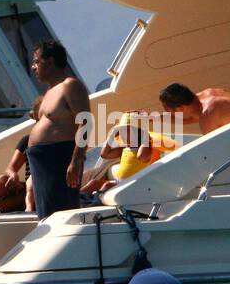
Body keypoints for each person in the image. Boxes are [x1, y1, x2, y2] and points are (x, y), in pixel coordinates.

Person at [26, 40, 89, 219]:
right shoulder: (48, 93)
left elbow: (87, 122)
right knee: (47, 216)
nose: (33, 67)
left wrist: (76, 159)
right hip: (43, 163)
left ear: (50, 61)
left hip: (59, 160)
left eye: (37, 61)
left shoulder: (70, 85)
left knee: (61, 216)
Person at [84, 111, 177, 192]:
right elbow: (104, 154)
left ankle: (95, 201)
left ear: (138, 132)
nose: (122, 134)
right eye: (121, 131)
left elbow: (142, 156)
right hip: (119, 183)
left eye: (127, 130)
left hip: (133, 185)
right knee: (93, 183)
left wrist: (145, 137)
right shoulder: (123, 149)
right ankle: (77, 199)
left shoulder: (145, 148)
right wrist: (111, 135)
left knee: (106, 186)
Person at [158, 83, 230, 134]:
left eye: (170, 112)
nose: (170, 115)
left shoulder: (208, 116)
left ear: (180, 109)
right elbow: (191, 118)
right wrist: (150, 118)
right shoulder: (211, 93)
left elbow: (215, 153)